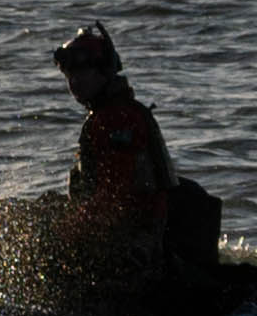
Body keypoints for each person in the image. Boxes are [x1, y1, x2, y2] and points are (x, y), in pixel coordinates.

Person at [50, 23, 176, 285]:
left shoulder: (117, 119)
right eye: (70, 74)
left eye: (84, 71)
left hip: (130, 244)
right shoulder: (109, 115)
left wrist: (64, 230)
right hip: (122, 233)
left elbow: (115, 198)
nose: (75, 81)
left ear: (104, 72)